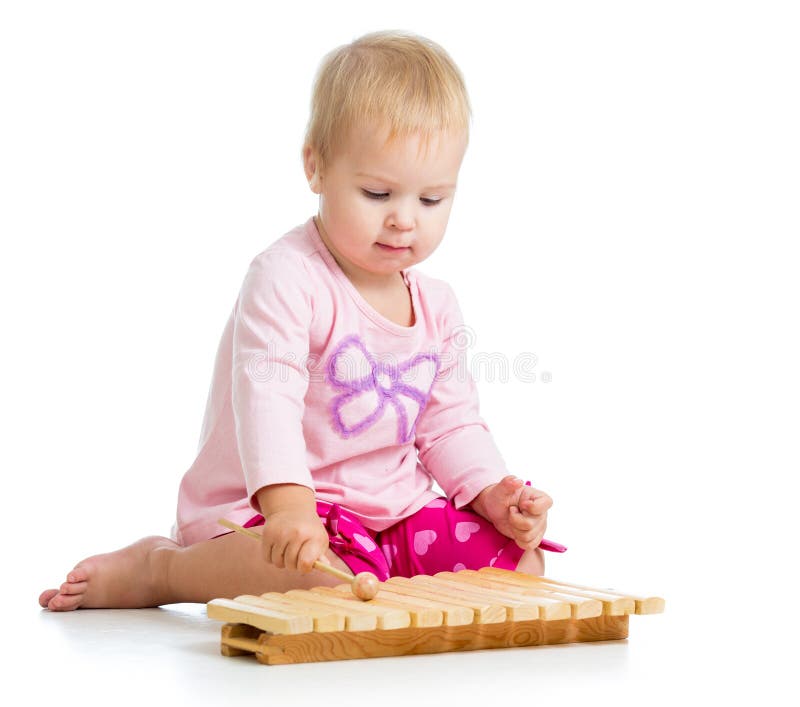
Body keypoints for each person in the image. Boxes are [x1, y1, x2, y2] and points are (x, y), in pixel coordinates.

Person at [39, 30, 563, 612]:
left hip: (393, 510)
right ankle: (163, 570)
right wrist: (289, 507)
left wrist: (494, 495)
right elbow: (269, 400)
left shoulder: (436, 304)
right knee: (315, 580)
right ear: (316, 166)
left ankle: (382, 563)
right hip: (278, 512)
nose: (403, 221)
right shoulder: (287, 277)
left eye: (431, 200)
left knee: (521, 567)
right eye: (377, 192)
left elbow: (450, 425)